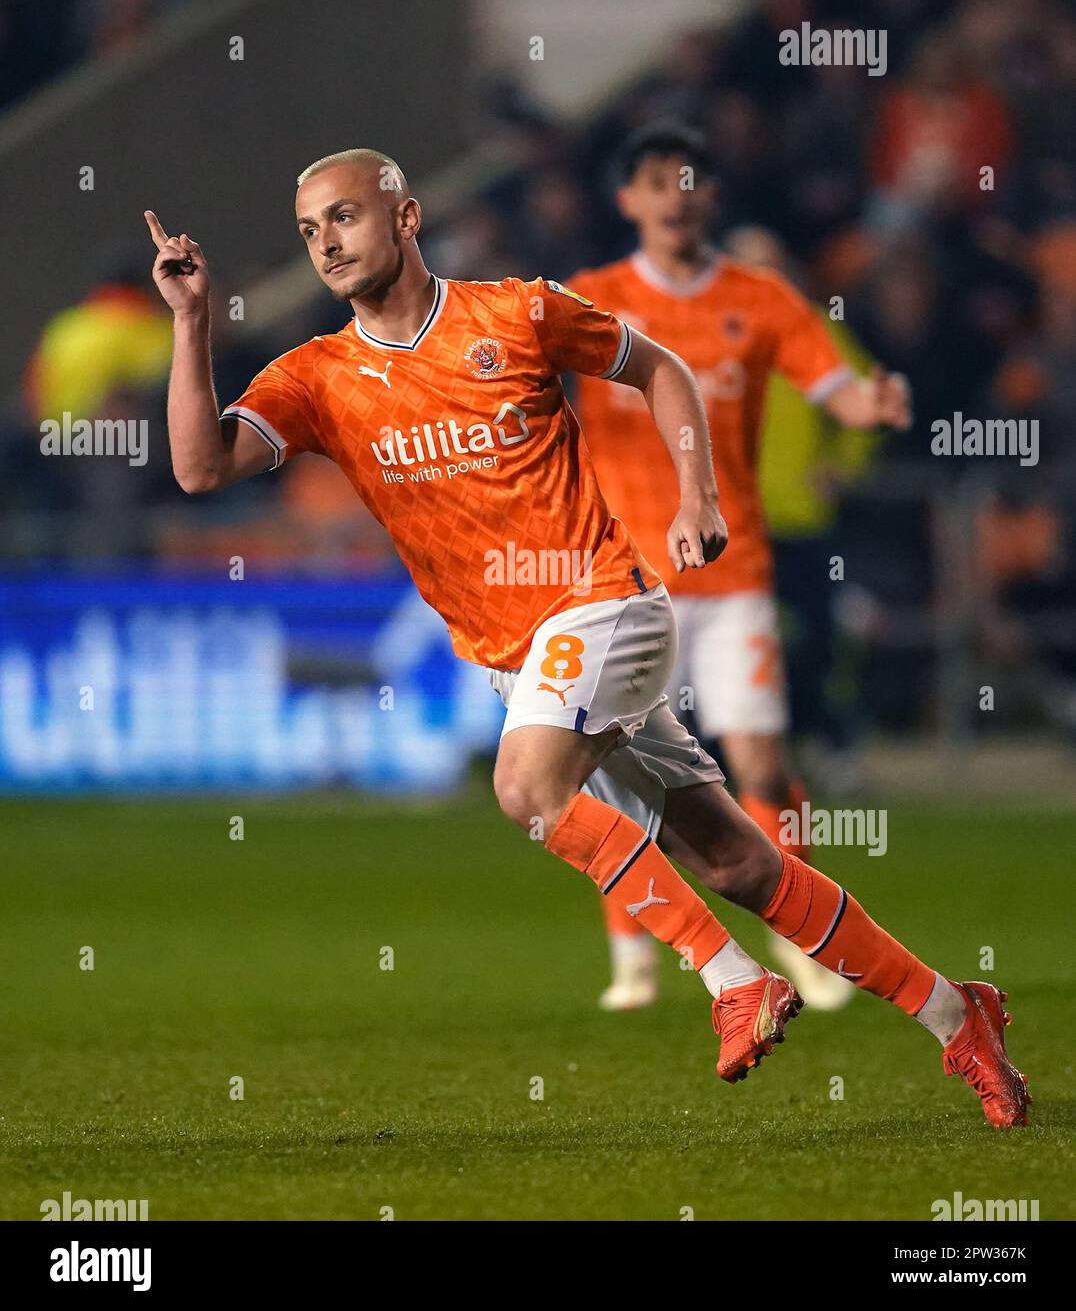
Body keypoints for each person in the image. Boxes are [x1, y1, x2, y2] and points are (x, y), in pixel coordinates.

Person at [143, 146, 1029, 1125]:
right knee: (736, 863)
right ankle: (957, 1014)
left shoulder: (515, 314)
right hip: (512, 658)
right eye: (310, 231)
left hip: (602, 603)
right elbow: (199, 469)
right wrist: (191, 322)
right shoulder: (317, 376)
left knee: (524, 786)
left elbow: (659, 368)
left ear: (404, 215)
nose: (326, 244)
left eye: (344, 217)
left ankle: (731, 977)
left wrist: (694, 492)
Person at [567, 126, 884, 1012]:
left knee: (761, 764)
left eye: (691, 181)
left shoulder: (759, 297)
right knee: (616, 769)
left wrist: (873, 403)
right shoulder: (591, 300)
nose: (676, 195)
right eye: (657, 181)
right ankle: (633, 954)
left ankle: (805, 935)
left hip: (733, 566)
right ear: (629, 200)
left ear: (711, 198)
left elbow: (835, 383)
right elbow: (510, 375)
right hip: (624, 582)